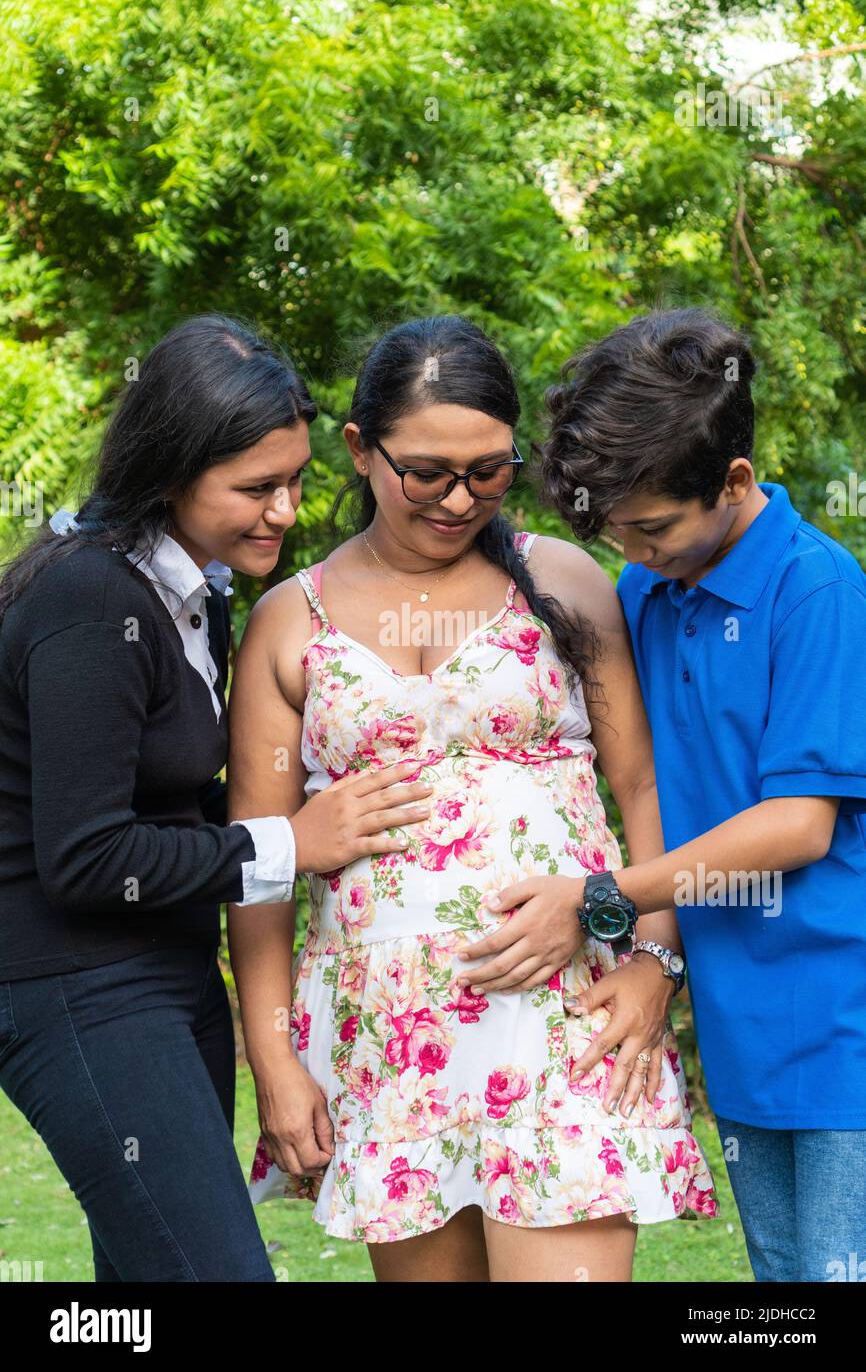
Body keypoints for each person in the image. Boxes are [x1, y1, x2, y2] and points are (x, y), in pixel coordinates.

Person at [229, 314, 717, 1284]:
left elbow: (642, 785)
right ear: (362, 450)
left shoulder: (564, 579)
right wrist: (274, 1059)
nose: (459, 499)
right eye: (427, 472)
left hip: (560, 1012)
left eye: (488, 471)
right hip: (384, 1027)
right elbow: (258, 866)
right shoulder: (289, 619)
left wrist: (657, 958)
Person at [0, 312, 430, 1282]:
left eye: (292, 479)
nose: (283, 509)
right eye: (254, 488)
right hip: (74, 986)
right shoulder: (87, 599)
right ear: (169, 472)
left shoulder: (193, 593)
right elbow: (83, 858)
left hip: (164, 976)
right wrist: (289, 840)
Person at [459, 306, 866, 1283]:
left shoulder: (816, 588)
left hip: (842, 1016)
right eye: (610, 531)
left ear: (732, 481)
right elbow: (645, 788)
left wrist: (600, 898)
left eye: (649, 527)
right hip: (737, 1027)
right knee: (782, 1279)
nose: (629, 553)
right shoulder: (646, 594)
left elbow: (796, 823)